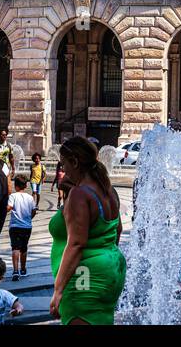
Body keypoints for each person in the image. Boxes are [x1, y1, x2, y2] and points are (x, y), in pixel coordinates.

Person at [48, 136, 126, 325]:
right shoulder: (107, 189)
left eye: (64, 163)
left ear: (74, 162)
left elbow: (76, 243)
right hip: (110, 268)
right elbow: (118, 229)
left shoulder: (80, 194)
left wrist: (58, 290)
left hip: (84, 277)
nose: (63, 170)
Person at [6, 175, 37, 278]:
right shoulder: (30, 198)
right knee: (24, 248)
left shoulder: (13, 196)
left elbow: (9, 207)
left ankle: (15, 271)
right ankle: (23, 269)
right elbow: (33, 211)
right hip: (27, 226)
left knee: (15, 248)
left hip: (15, 226)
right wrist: (28, 219)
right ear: (25, 185)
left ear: (16, 186)